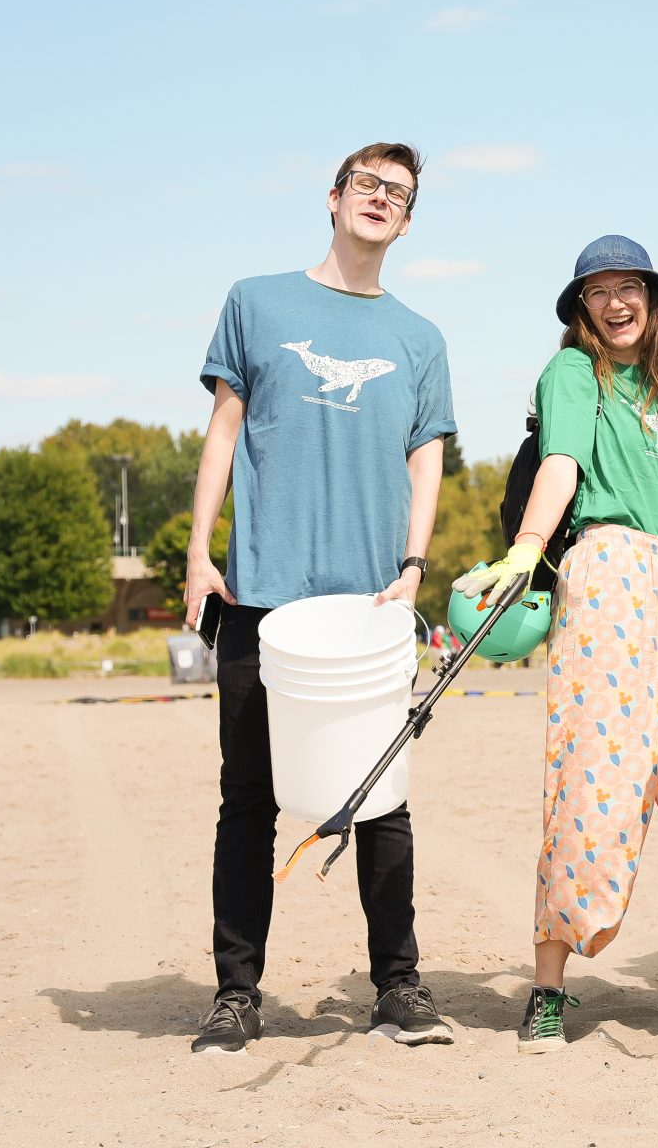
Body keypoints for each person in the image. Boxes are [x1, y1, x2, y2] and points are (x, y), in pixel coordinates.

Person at [455, 235, 658, 1053]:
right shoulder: (569, 374)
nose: (617, 302)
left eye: (631, 288)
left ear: (653, 301)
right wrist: (528, 547)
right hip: (604, 576)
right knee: (593, 780)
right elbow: (560, 463)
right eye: (599, 292)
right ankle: (548, 993)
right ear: (581, 309)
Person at [184, 143, 456, 1054]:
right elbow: (223, 433)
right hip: (262, 592)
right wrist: (196, 549)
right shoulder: (256, 301)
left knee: (382, 800)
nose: (382, 202)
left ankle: (399, 988)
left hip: (371, 604)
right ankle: (236, 994)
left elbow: (428, 457)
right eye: (369, 186)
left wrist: (415, 565)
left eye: (400, 195)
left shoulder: (421, 338)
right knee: (247, 801)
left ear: (409, 223)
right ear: (335, 198)